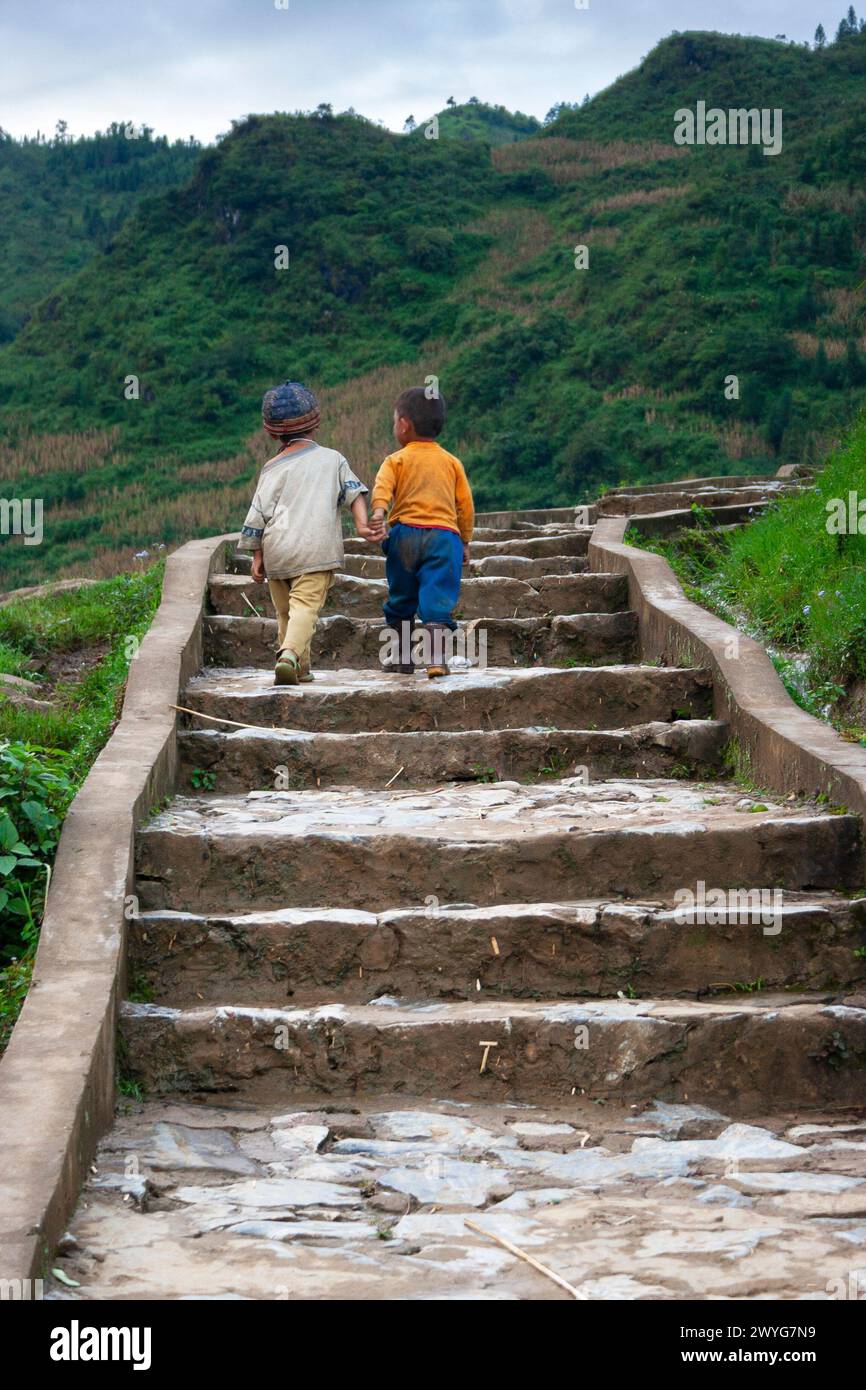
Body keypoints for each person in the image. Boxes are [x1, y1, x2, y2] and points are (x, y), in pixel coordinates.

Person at [239, 380, 382, 686]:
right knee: (305, 608)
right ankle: (289, 654)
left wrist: (256, 555)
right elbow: (354, 493)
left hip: (277, 548)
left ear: (271, 431)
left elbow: (258, 514)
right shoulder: (332, 459)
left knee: (286, 614)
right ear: (316, 423)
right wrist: (360, 524)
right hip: (314, 549)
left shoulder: (271, 467)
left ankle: (299, 668)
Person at [370, 387, 474, 678]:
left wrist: (379, 512)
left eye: (394, 421)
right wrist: (464, 540)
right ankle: (436, 659)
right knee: (437, 596)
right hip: (444, 538)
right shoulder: (452, 462)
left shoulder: (396, 460)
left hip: (403, 536)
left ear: (404, 424)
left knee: (401, 597)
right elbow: (465, 505)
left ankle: (402, 658)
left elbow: (383, 487)